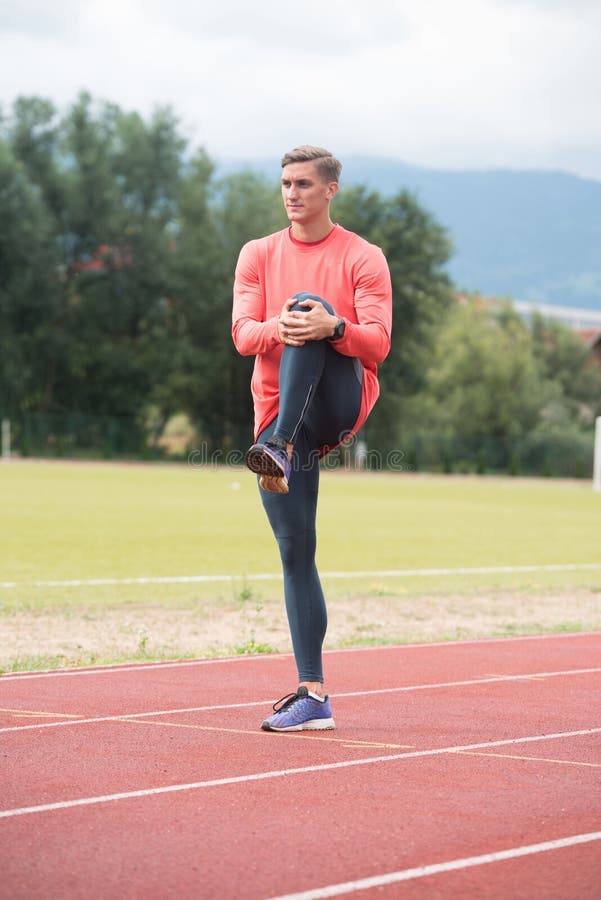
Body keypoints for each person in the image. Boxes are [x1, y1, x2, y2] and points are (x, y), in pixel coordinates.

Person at [232, 145, 392, 732]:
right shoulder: (257, 254)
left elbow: (377, 343)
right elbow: (244, 334)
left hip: (337, 408)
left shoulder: (364, 257)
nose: (291, 193)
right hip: (272, 428)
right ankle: (312, 694)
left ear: (330, 190)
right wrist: (287, 326)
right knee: (295, 552)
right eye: (284, 184)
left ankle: (283, 441)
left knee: (312, 305)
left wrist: (334, 326)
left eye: (303, 183)